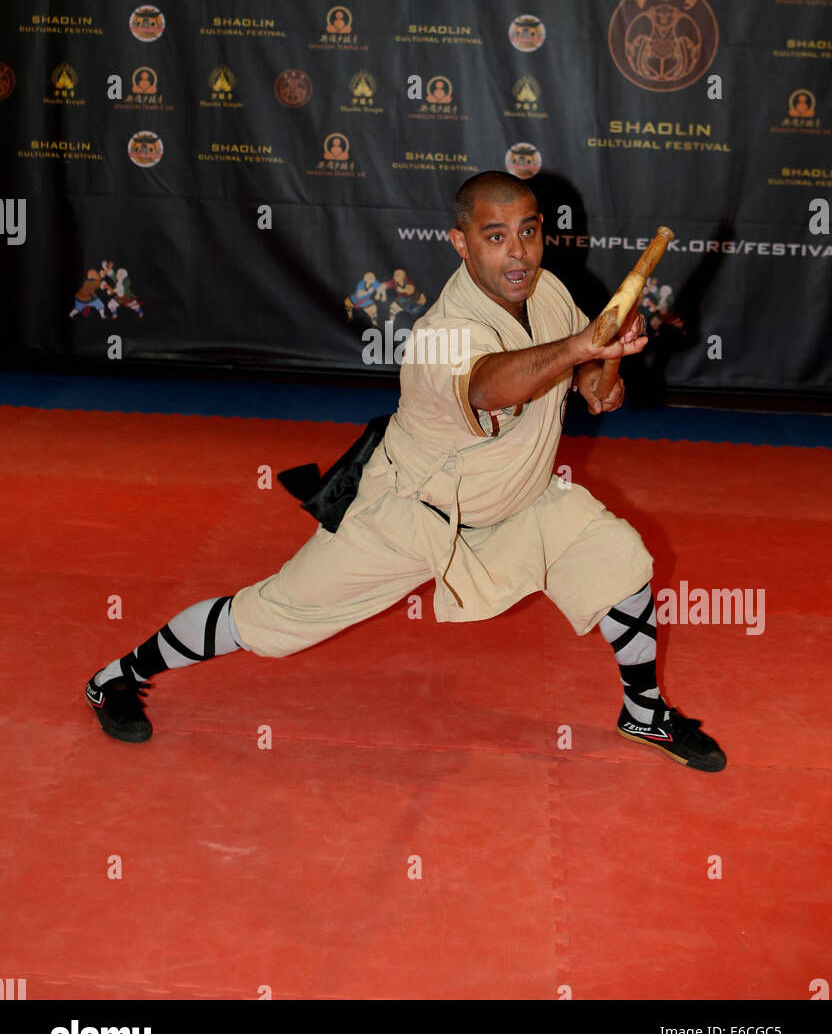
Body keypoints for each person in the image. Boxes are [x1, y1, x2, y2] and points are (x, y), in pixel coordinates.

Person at [85, 171, 726, 772]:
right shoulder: (440, 334)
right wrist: (582, 347)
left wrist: (599, 375)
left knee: (618, 559)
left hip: (519, 499)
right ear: (460, 242)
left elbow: (575, 377)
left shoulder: (549, 291)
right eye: (494, 236)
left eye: (528, 231)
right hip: (410, 513)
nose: (517, 254)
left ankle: (644, 715)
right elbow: (489, 387)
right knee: (273, 618)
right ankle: (119, 675)